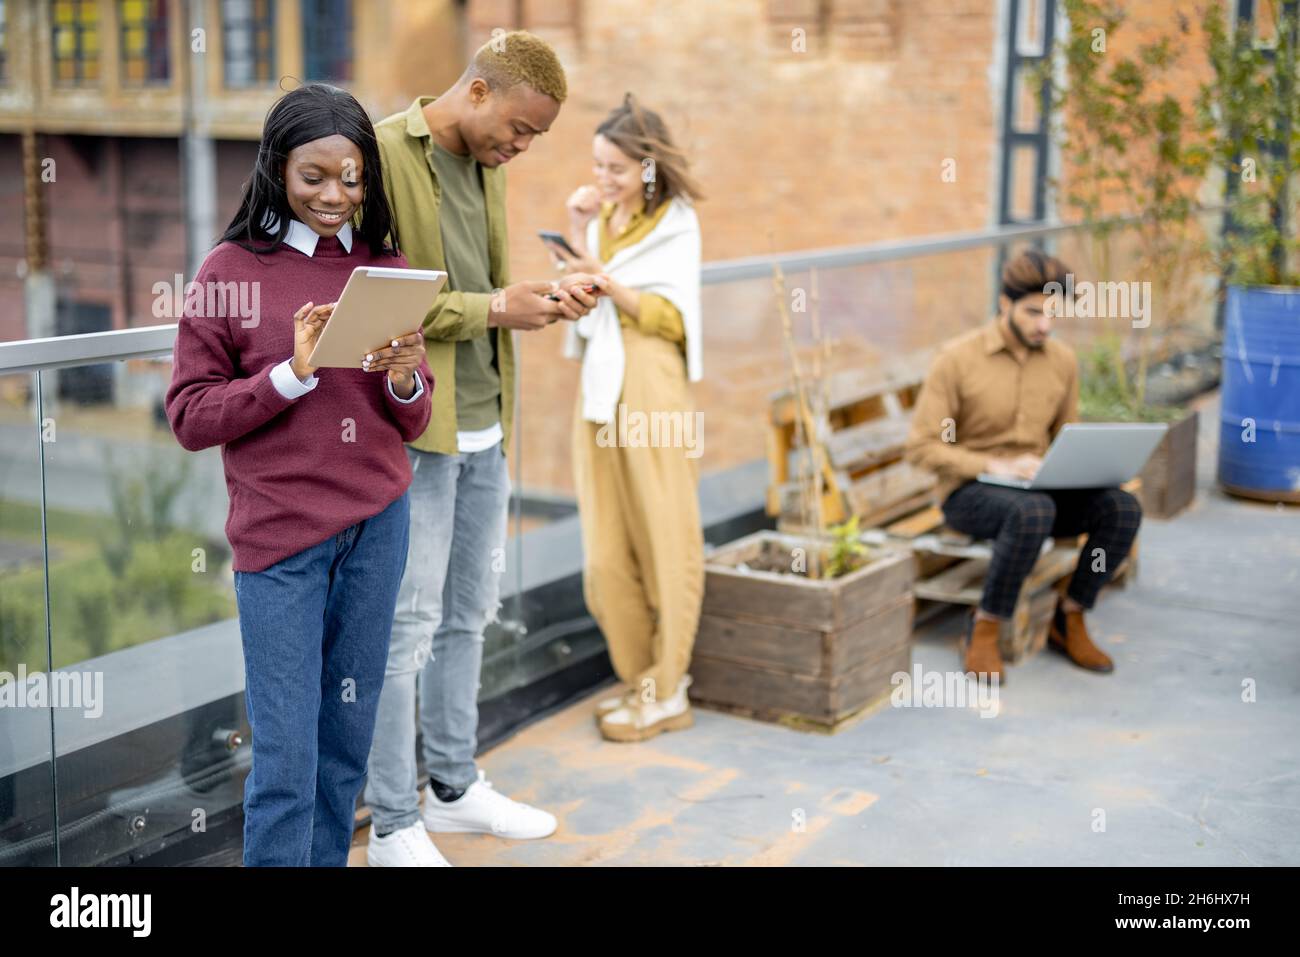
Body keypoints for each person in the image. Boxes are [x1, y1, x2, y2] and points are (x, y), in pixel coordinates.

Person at [166, 83, 433, 866]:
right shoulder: (229, 270)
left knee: (346, 743)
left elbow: (411, 417)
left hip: (378, 528)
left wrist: (407, 376)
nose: (335, 196)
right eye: (315, 175)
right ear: (276, 168)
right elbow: (188, 415)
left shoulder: (385, 266)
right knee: (286, 758)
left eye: (352, 178)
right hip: (281, 543)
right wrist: (291, 372)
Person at [363, 31, 602, 867]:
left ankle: (454, 789)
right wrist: (499, 308)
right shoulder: (385, 154)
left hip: (489, 421)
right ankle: (393, 821)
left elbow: (486, 288)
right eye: (522, 128)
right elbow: (374, 308)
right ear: (475, 92)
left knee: (470, 614)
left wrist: (541, 297)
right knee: (407, 628)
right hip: (420, 430)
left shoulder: (488, 169)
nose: (524, 147)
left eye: (536, 137)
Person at [904, 249, 1142, 683]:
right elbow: (921, 447)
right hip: (969, 492)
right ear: (1004, 303)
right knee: (1033, 511)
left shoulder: (1062, 361)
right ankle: (986, 624)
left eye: (1053, 313)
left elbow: (1067, 435)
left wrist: (1093, 468)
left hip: (1041, 488)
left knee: (1122, 509)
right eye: (1033, 312)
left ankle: (1070, 614)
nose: (1044, 325)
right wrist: (995, 463)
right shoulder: (956, 360)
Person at [554, 93, 706, 743]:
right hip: (600, 383)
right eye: (597, 166)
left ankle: (669, 687)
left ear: (646, 167)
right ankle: (638, 675)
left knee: (666, 534)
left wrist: (607, 282)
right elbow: (588, 299)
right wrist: (574, 230)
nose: (603, 179)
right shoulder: (600, 223)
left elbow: (676, 322)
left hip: (651, 380)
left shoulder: (677, 224)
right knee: (606, 548)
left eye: (615, 167)